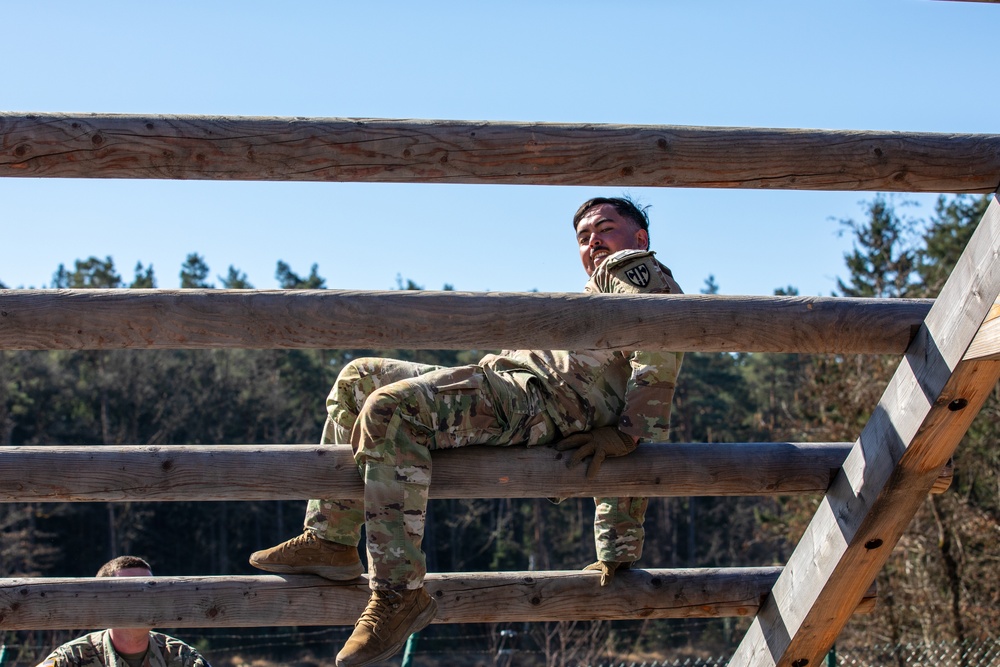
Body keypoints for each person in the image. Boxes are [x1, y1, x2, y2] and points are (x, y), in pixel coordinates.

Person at [249, 196, 683, 667]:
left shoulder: (633, 268)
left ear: (639, 238)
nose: (594, 242)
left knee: (391, 408)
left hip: (530, 400)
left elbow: (658, 348)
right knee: (359, 377)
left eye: (606, 228)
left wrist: (628, 432)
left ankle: (399, 594)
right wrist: (617, 550)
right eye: (583, 237)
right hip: (505, 387)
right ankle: (332, 539)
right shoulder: (598, 295)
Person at [36, 556, 211, 667]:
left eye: (151, 589)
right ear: (104, 603)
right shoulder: (73, 658)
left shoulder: (183, 658)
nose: (145, 598)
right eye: (131, 591)